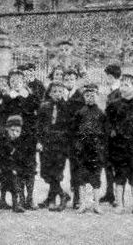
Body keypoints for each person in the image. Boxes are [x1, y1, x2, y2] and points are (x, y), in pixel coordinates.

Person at [106, 73, 133, 213]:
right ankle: (120, 205)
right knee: (119, 174)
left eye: (127, 85)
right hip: (118, 145)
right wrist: (113, 130)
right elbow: (107, 119)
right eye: (122, 85)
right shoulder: (115, 104)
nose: (123, 88)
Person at [0, 69, 41, 210]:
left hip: (28, 137)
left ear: (23, 82)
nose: (16, 83)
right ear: (9, 83)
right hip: (13, 138)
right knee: (14, 167)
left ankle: (29, 198)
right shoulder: (6, 98)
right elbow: (2, 119)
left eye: (19, 80)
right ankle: (17, 199)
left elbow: (37, 119)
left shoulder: (32, 97)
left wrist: (37, 138)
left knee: (29, 168)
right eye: (13, 81)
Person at [37, 80, 75, 210]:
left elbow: (70, 127)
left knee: (56, 171)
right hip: (46, 143)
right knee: (46, 172)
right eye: (54, 91)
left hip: (60, 144)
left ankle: (52, 200)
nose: (57, 94)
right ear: (49, 92)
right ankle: (62, 194)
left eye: (60, 91)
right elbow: (39, 126)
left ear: (63, 92)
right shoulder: (44, 106)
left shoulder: (67, 107)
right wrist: (39, 141)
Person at [71, 82, 107, 213]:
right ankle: (83, 204)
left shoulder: (101, 114)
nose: (90, 98)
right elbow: (74, 130)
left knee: (96, 177)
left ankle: (96, 204)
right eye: (87, 95)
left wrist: (102, 148)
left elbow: (105, 132)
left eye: (92, 95)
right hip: (83, 149)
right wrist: (77, 145)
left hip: (96, 150)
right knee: (82, 177)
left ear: (97, 96)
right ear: (84, 97)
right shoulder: (80, 112)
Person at [99, 64, 124, 206]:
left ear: (111, 76)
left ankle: (116, 196)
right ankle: (109, 193)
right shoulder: (111, 91)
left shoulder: (119, 92)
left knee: (116, 165)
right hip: (108, 132)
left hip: (115, 134)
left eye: (106, 76)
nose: (105, 78)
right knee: (107, 163)